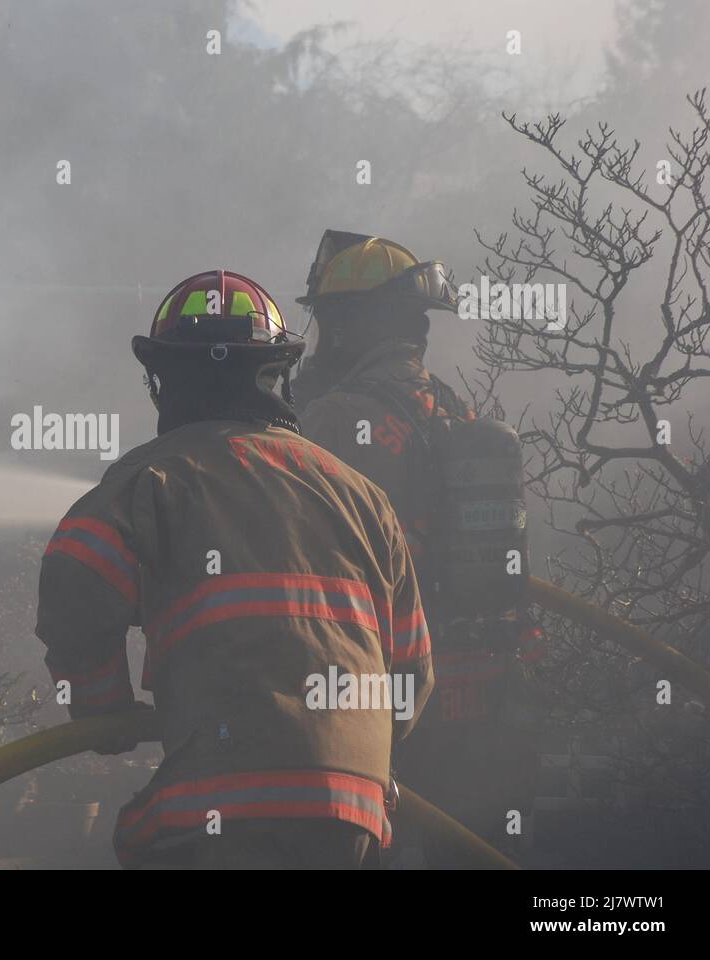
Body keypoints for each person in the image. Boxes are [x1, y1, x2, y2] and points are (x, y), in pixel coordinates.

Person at [34, 269, 433, 869]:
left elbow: (76, 579)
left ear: (164, 380)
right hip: (350, 811)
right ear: (277, 375)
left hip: (217, 807)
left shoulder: (151, 478)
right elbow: (413, 673)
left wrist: (105, 712)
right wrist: (351, 750)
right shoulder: (361, 497)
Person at [291, 231, 539, 863]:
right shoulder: (452, 408)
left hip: (391, 698)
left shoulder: (333, 419)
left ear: (346, 326)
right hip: (484, 690)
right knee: (477, 853)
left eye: (325, 320)